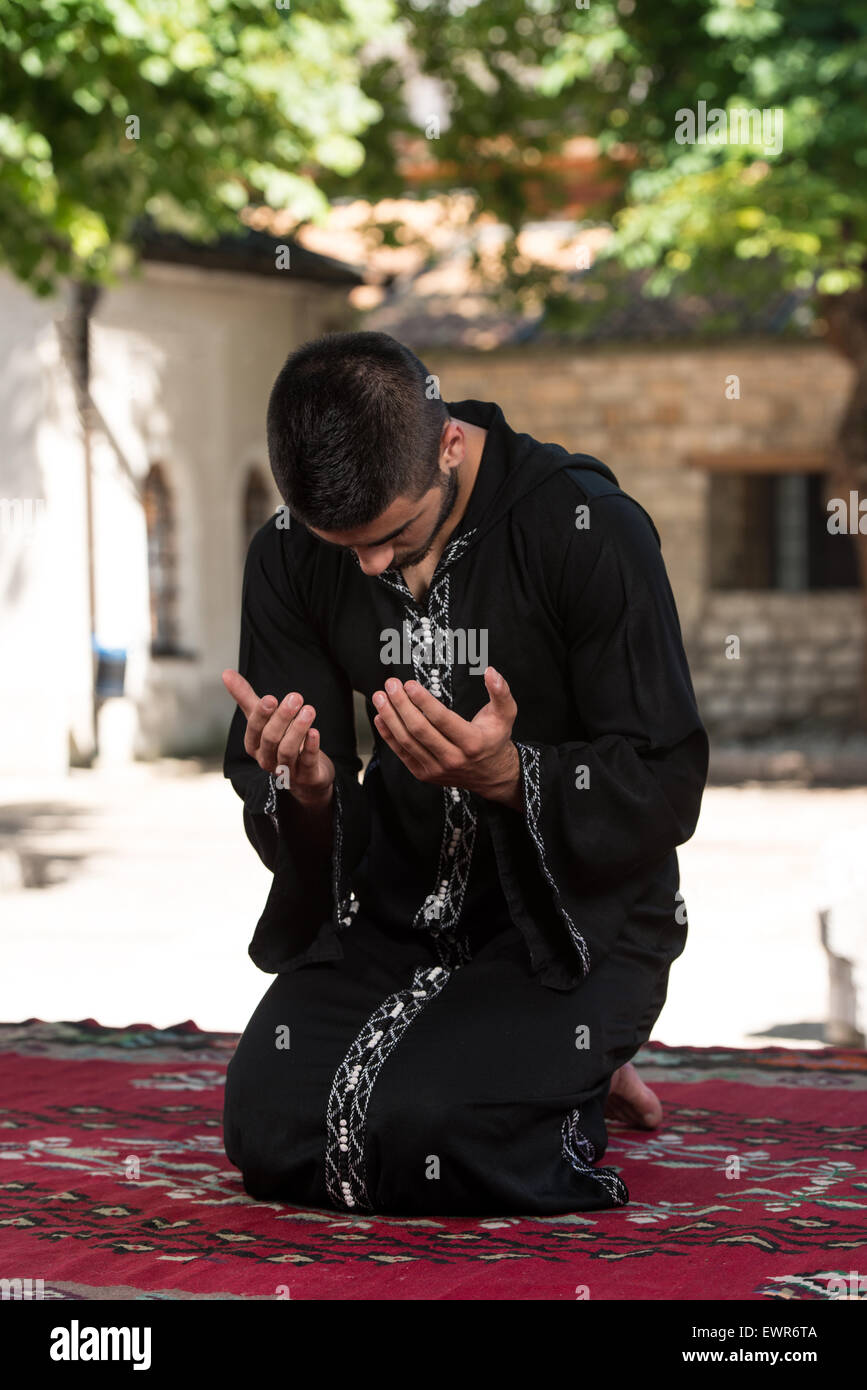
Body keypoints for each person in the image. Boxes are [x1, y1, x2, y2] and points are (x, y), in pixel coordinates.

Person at [221, 331, 708, 1215]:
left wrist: (511, 775)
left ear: (449, 443)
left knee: (433, 1126)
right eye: (346, 546)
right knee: (270, 1126)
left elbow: (664, 776)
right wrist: (311, 787)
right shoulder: (292, 553)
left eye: (391, 535)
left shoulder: (585, 528)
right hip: (393, 908)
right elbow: (295, 781)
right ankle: (533, 1060)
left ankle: (570, 1060)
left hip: (567, 927)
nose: (369, 565)